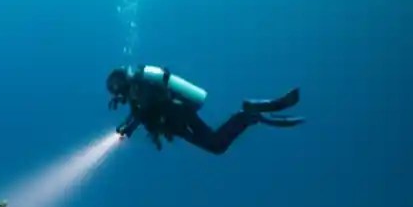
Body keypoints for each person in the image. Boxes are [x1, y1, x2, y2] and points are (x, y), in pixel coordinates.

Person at [106, 65, 304, 154]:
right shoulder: (138, 92)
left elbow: (145, 111)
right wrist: (128, 126)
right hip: (180, 121)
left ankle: (249, 115)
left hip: (180, 116)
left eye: (118, 93)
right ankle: (249, 113)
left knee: (216, 144)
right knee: (216, 144)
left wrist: (129, 128)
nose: (120, 98)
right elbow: (141, 113)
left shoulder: (140, 87)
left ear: (121, 85)